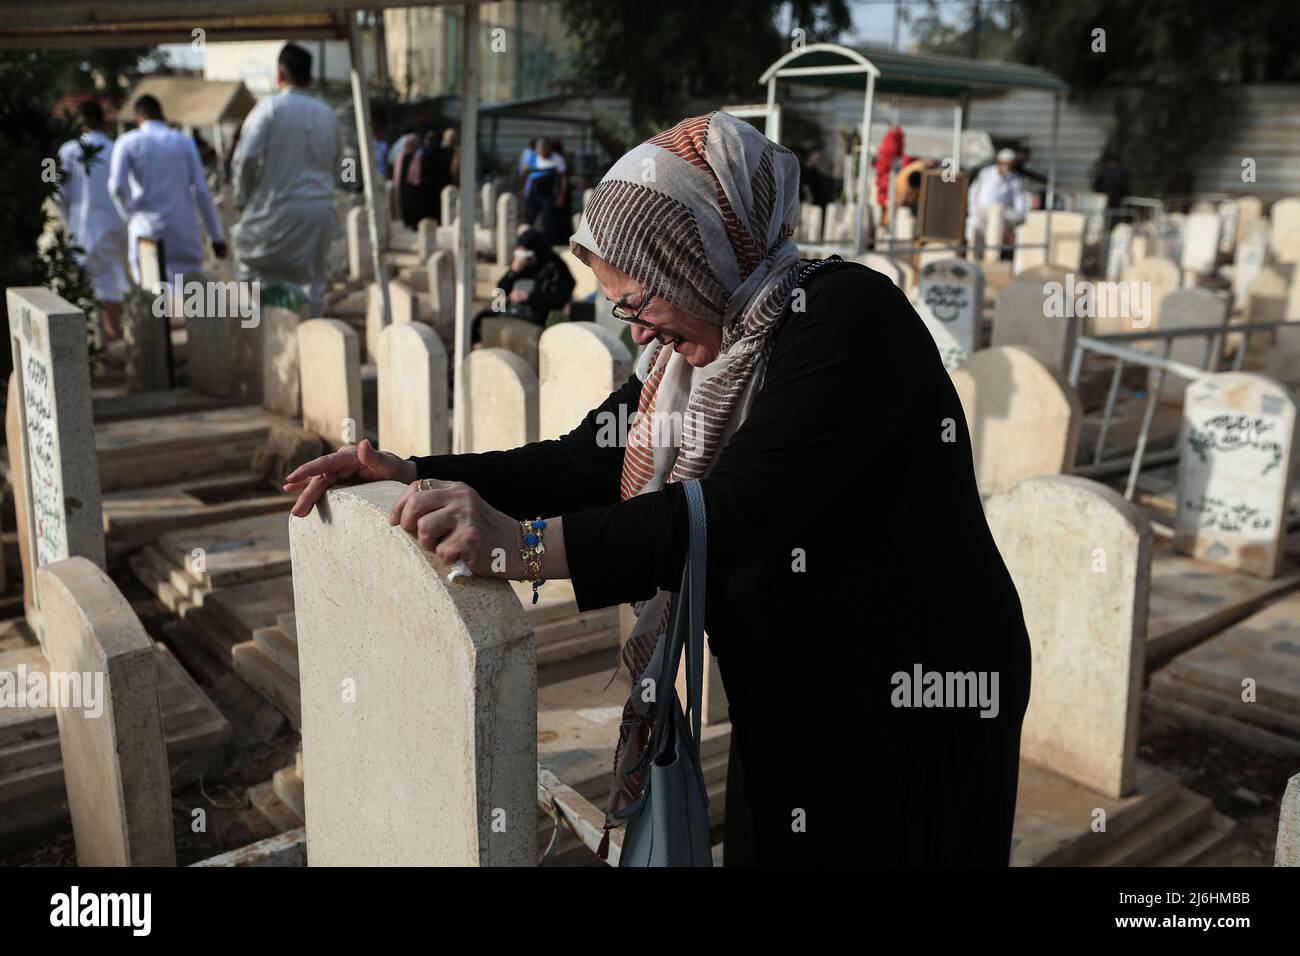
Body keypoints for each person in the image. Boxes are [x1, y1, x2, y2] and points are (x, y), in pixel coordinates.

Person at [283, 111, 1031, 867]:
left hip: (909, 692)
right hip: (793, 688)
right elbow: (585, 460)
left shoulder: (841, 317)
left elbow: (739, 510)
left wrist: (526, 548)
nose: (636, 332)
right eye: (621, 309)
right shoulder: (700, 352)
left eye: (641, 301)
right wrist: (413, 472)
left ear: (695, 258)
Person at [230, 43, 341, 314]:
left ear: (280, 74)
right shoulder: (329, 116)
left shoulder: (268, 109)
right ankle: (312, 337)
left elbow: (245, 158)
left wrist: (242, 199)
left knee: (248, 266)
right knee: (314, 283)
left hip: (276, 211)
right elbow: (337, 164)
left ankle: (256, 337)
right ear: (309, 77)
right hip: (319, 212)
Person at [108, 94, 226, 282]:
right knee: (187, 298)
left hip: (147, 233)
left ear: (138, 119)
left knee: (154, 298)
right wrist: (216, 236)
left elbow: (116, 187)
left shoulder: (127, 142)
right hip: (184, 234)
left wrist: (130, 215)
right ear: (162, 116)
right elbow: (202, 191)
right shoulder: (184, 142)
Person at [57, 99, 128, 340]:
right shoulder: (115, 148)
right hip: (114, 224)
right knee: (113, 278)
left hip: (82, 226)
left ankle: (100, 339)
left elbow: (58, 192)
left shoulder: (67, 151)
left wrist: (69, 218)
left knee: (86, 283)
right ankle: (117, 332)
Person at [471, 227, 576, 343]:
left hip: (540, 315)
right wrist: (513, 272)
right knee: (480, 320)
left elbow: (557, 298)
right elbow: (501, 290)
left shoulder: (555, 267)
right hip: (514, 310)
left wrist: (528, 297)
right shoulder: (521, 266)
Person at [966, 147, 1027, 255]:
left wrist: (1019, 216)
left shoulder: (1016, 179)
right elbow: (974, 192)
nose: (1007, 166)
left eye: (1010, 164)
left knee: (996, 218)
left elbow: (1019, 198)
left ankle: (992, 255)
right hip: (981, 210)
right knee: (976, 229)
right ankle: (975, 255)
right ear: (999, 162)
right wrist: (972, 209)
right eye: (1005, 163)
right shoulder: (986, 173)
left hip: (1003, 213)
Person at [522, 138, 566, 243]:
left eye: (544, 151)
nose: (542, 154)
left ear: (549, 149)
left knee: (548, 220)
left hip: (548, 194)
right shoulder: (533, 158)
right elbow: (525, 174)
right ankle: (526, 241)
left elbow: (563, 178)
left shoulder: (557, 159)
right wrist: (523, 189)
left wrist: (561, 196)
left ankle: (548, 243)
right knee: (529, 219)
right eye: (540, 151)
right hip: (534, 193)